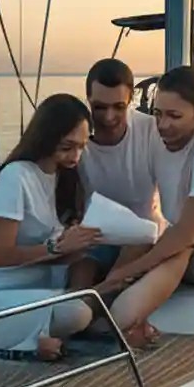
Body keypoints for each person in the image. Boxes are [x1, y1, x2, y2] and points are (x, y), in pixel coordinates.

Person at [99, 66, 194, 346]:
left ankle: (124, 320)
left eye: (174, 116)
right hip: (182, 240)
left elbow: (188, 233)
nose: (163, 124)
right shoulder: (159, 137)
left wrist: (131, 270)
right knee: (145, 229)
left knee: (187, 235)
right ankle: (93, 307)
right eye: (158, 113)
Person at [0, 94, 102, 361]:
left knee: (92, 280)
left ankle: (36, 339)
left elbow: (59, 255)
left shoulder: (65, 178)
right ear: (47, 137)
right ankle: (13, 343)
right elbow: (1, 257)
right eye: (67, 147)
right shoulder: (16, 177)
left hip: (36, 290)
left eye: (82, 146)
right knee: (78, 313)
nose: (76, 155)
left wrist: (82, 243)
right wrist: (57, 246)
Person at [68, 58, 162, 290]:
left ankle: (95, 302)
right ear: (88, 99)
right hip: (96, 233)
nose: (109, 117)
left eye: (118, 107)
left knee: (128, 257)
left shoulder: (152, 131)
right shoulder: (75, 136)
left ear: (130, 100)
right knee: (81, 266)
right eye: (99, 107)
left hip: (143, 231)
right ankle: (74, 303)